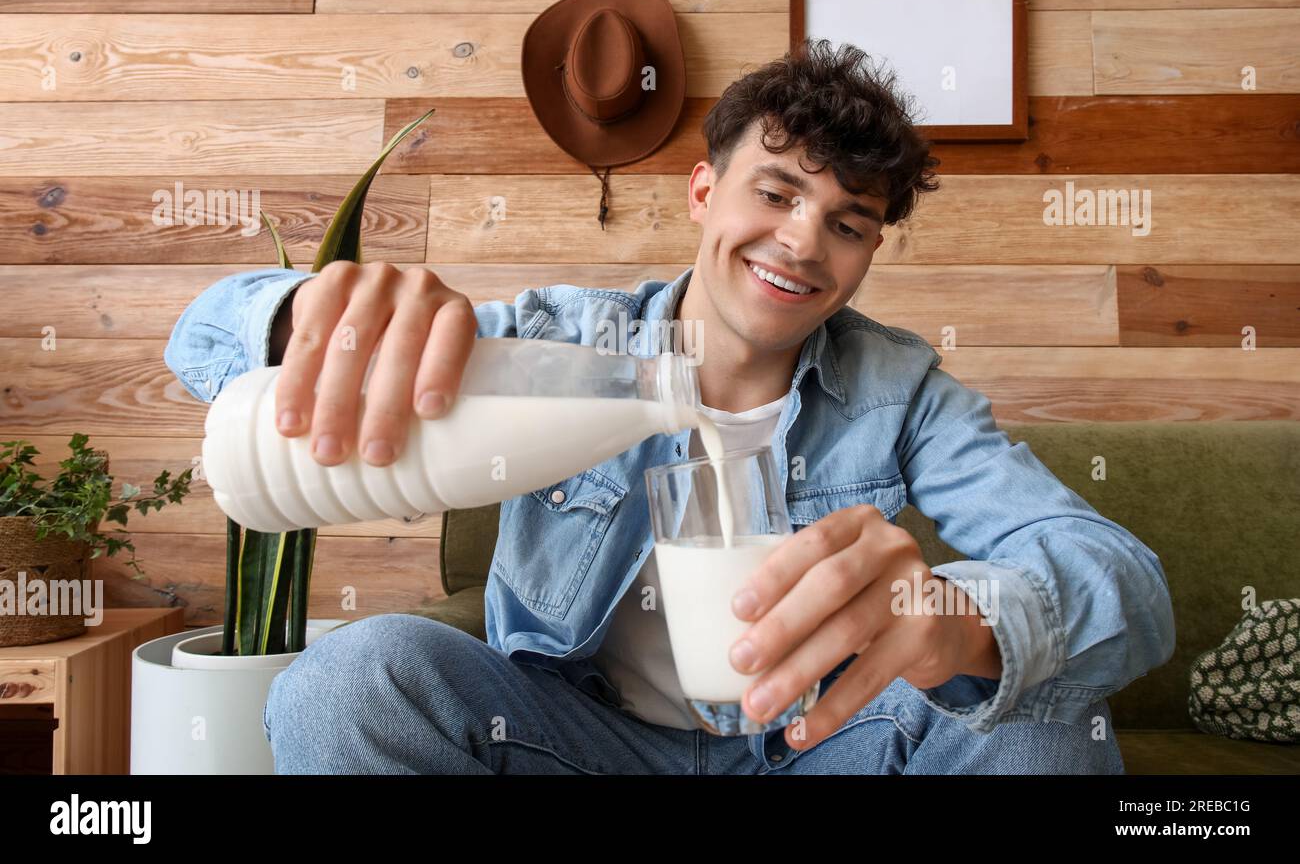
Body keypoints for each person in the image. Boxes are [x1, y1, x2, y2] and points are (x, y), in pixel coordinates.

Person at [164, 39, 1175, 774]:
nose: (800, 241)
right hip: (572, 738)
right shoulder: (557, 342)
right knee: (349, 675)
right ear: (702, 191)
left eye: (848, 222)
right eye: (775, 192)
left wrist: (961, 619)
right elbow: (199, 338)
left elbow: (1124, 582)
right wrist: (307, 310)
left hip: (815, 742)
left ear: (869, 251)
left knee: (1055, 720)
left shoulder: (901, 389)